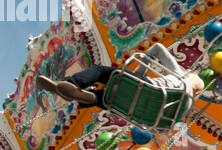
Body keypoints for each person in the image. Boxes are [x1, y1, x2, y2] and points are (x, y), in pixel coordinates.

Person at [36, 42, 204, 108]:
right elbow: (161, 129)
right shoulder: (183, 109)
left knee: (102, 71)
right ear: (197, 93)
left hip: (142, 87)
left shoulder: (181, 79)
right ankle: (92, 98)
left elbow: (158, 48)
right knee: (107, 99)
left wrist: (140, 70)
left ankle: (73, 84)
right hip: (134, 110)